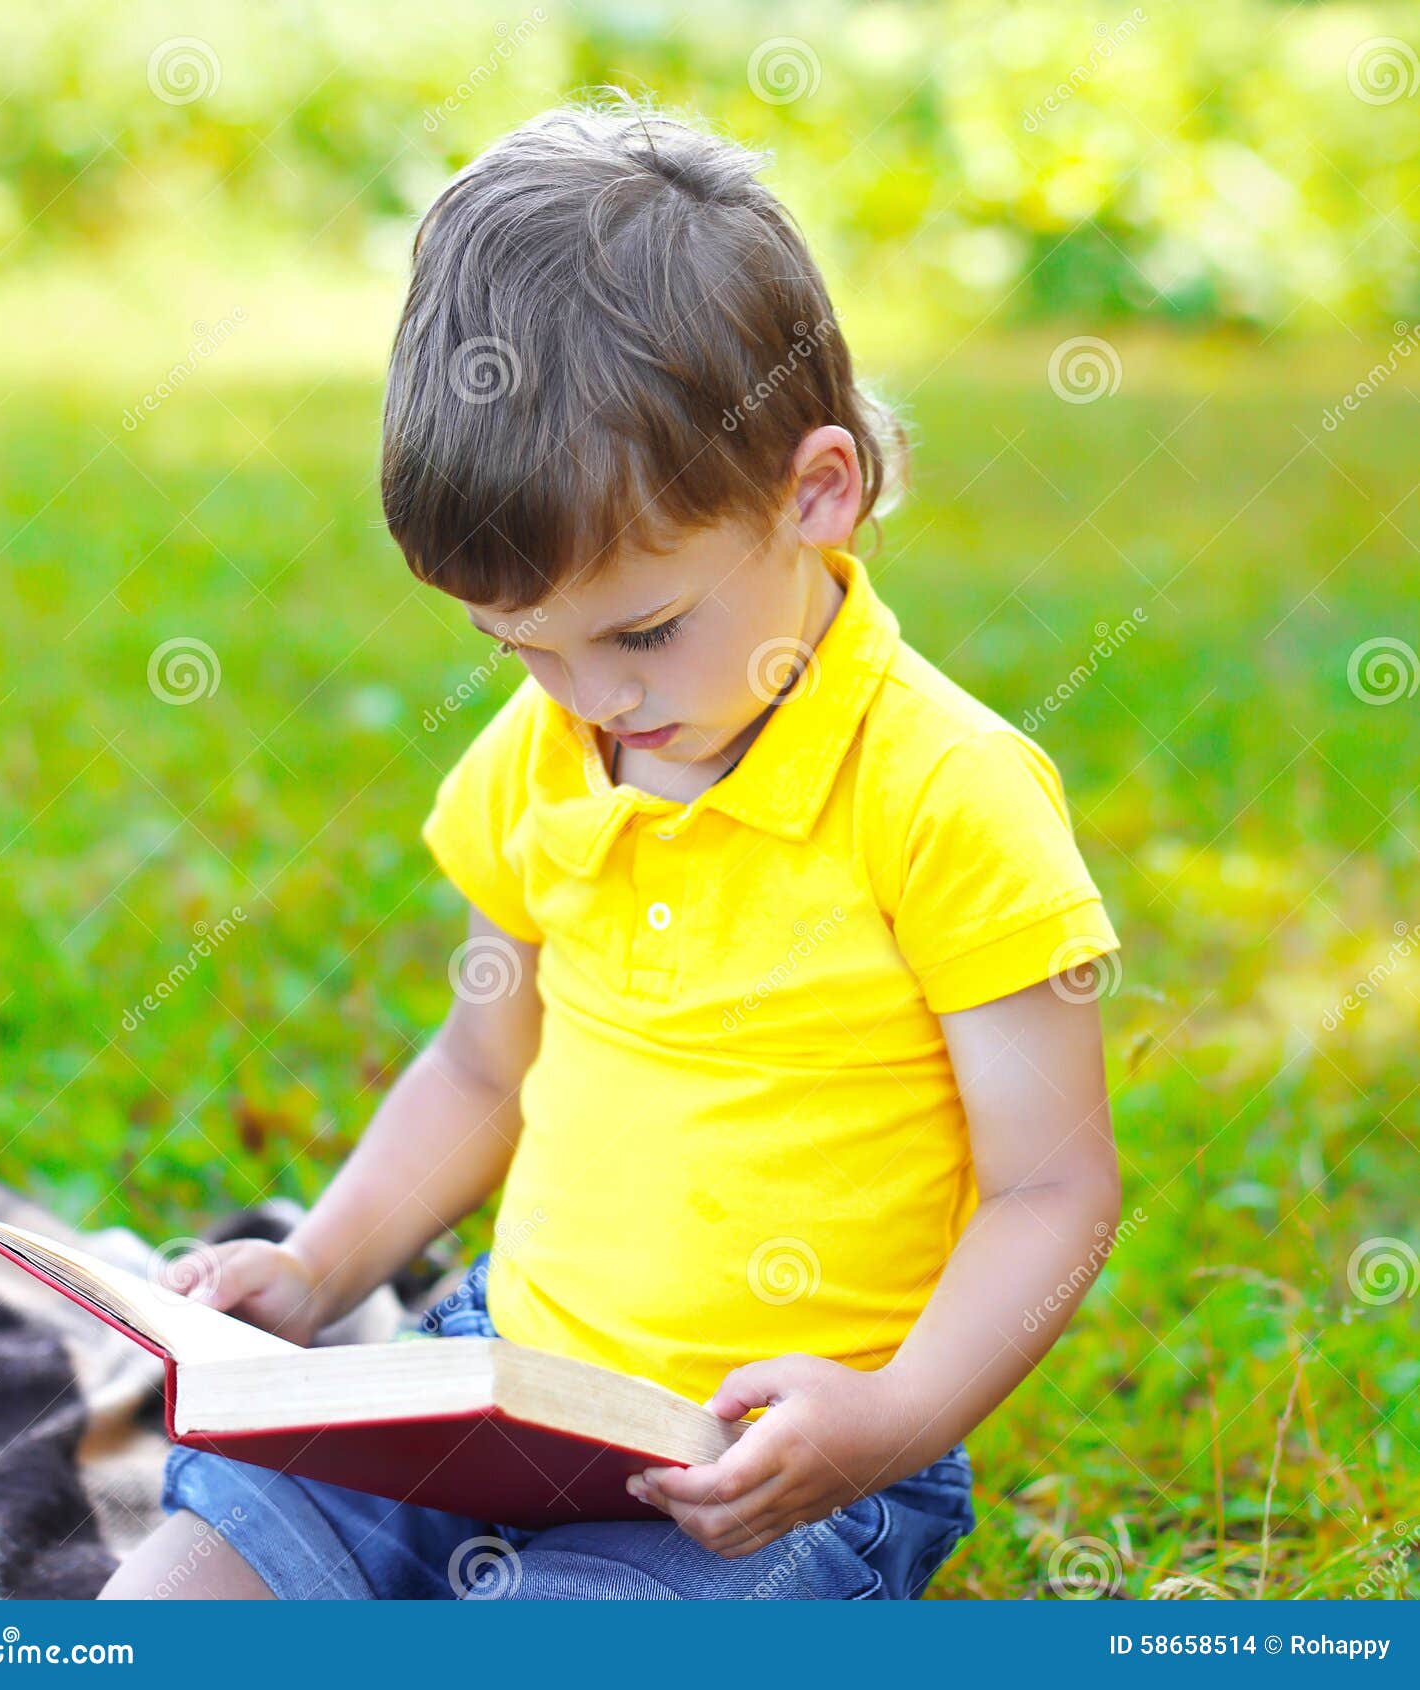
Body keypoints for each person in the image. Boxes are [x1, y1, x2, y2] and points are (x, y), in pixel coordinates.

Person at [101, 90, 1121, 1601]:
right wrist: (320, 1266)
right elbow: (476, 1066)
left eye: (641, 629)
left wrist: (888, 1419)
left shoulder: (945, 792)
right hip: (496, 1377)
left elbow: (1055, 1191)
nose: (595, 701)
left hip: (762, 1459)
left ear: (815, 492)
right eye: (523, 647)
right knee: (178, 1595)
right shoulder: (546, 753)